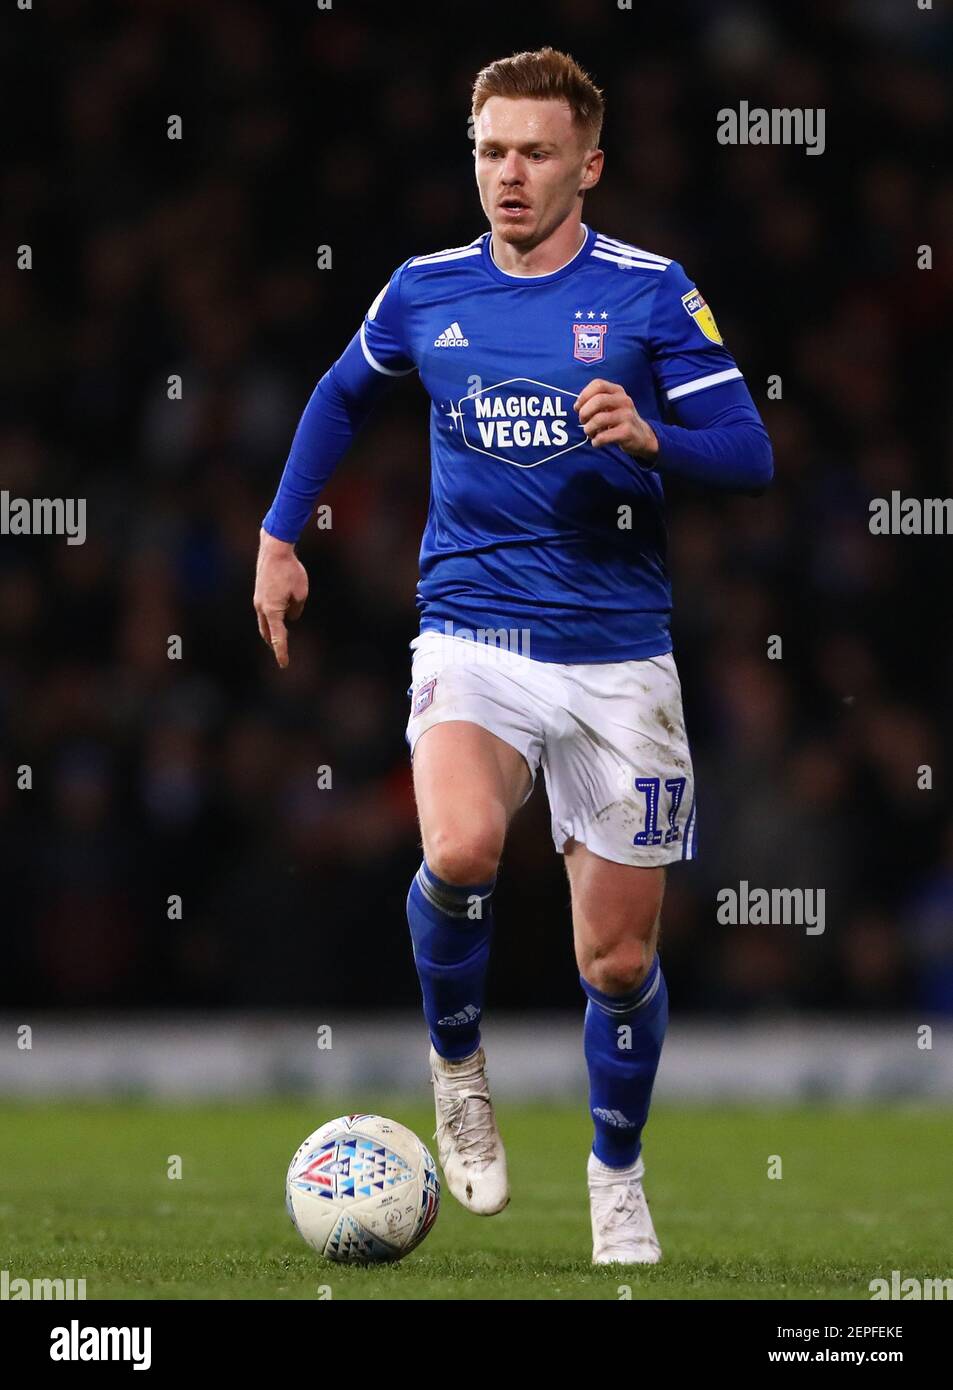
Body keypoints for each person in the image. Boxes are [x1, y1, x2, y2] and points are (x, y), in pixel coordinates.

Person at [254, 46, 773, 1264]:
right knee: (460, 844)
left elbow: (746, 452)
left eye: (536, 153)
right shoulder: (424, 291)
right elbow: (338, 395)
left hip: (616, 656)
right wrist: (281, 534)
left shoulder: (650, 293)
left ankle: (615, 1172)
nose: (509, 174)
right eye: (491, 150)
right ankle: (456, 1066)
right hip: (470, 630)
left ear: (587, 165)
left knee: (618, 957)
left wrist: (653, 439)